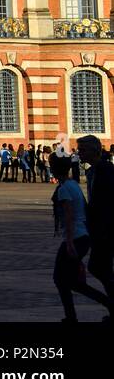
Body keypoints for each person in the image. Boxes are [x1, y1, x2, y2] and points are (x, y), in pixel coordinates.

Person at [50, 152, 111, 321]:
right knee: (71, 281)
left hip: (75, 238)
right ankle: (72, 316)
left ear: (54, 169)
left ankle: (104, 304)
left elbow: (69, 217)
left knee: (62, 279)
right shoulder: (73, 184)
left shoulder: (64, 189)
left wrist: (69, 243)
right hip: (82, 236)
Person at [77, 135, 114, 317]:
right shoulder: (92, 171)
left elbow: (107, 201)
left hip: (106, 228)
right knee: (100, 268)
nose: (79, 153)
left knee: (98, 267)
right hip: (98, 227)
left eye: (83, 150)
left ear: (94, 150)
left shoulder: (107, 170)